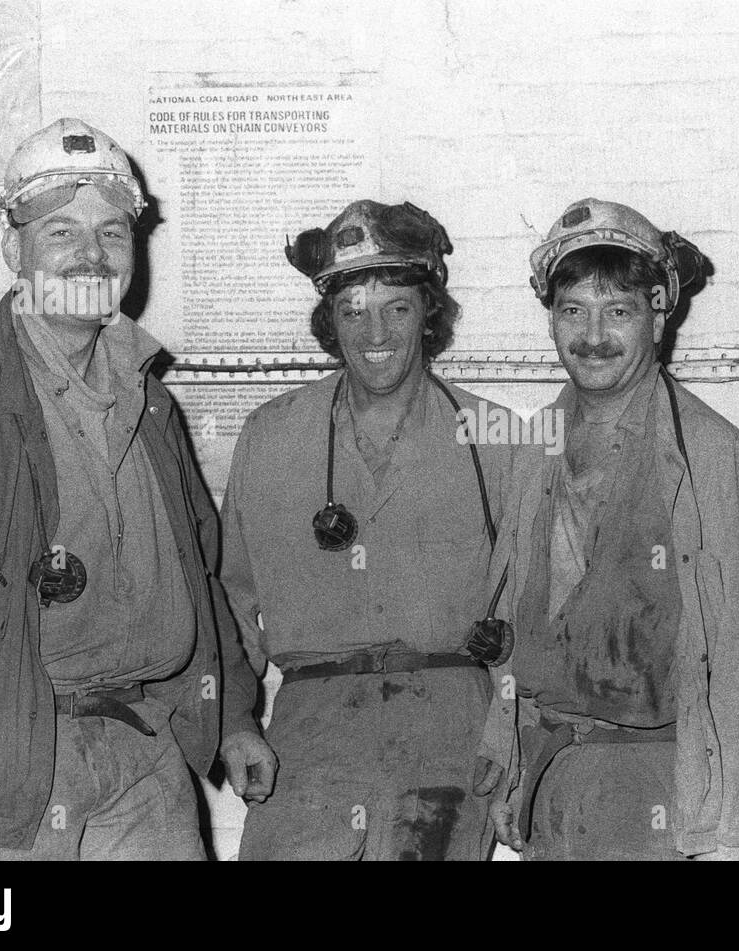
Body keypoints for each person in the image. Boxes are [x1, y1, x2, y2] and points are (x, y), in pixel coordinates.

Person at [0, 118, 274, 860]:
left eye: (113, 233)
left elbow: (198, 574)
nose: (90, 256)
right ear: (13, 243)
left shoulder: (148, 398)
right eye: (61, 232)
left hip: (147, 753)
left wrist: (232, 713)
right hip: (11, 768)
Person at [477, 198, 739, 860]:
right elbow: (516, 628)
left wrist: (729, 837)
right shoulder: (535, 450)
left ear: (658, 313)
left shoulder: (714, 458)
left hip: (662, 792)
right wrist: (511, 764)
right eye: (573, 311)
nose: (593, 335)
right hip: (555, 786)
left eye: (617, 311)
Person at [221, 199, 514, 860]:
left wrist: (510, 719)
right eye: (353, 310)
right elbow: (231, 602)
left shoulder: (496, 442)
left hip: (448, 732)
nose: (373, 331)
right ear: (330, 321)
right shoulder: (272, 438)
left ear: (428, 312)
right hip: (311, 737)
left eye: (397, 308)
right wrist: (234, 719)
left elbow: (531, 607)